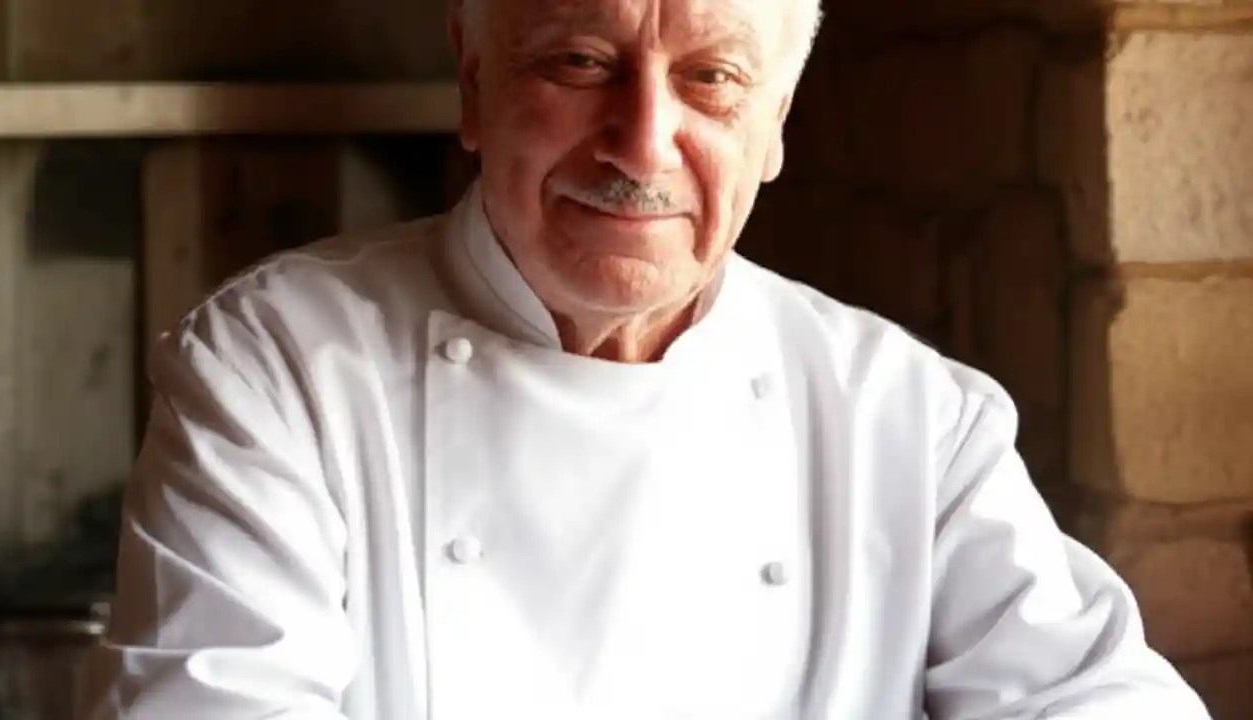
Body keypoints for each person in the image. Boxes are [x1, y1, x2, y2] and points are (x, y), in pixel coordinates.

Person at [85, 0, 1211, 718]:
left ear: (774, 125)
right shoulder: (274, 369)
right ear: (472, 85)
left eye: (712, 78)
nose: (640, 142)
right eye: (579, 61)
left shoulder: (907, 418)